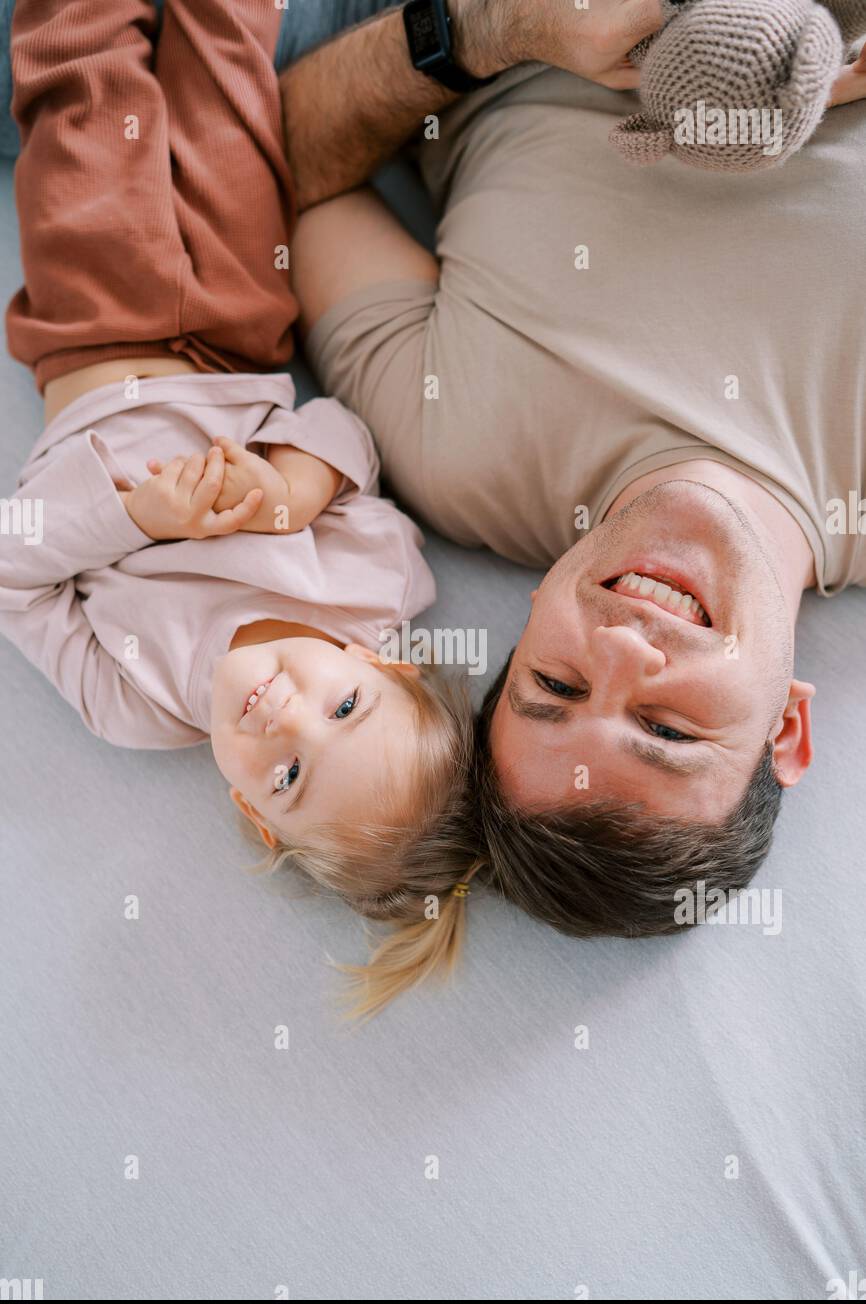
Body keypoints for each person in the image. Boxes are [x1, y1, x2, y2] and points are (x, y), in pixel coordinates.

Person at [275, 0, 866, 932]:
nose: (625, 645)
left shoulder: (461, 458)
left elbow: (273, 165)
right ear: (785, 728)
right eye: (666, 730)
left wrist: (488, 28)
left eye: (555, 686)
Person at [0, 0, 483, 1024]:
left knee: (83, 87)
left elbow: (14, 568)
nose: (285, 716)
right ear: (381, 665)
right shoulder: (374, 591)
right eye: (345, 706)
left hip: (96, 334)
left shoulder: (138, 703)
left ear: (253, 815)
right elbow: (350, 440)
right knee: (228, 76)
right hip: (241, 326)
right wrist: (291, 485)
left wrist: (137, 520)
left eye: (292, 775)